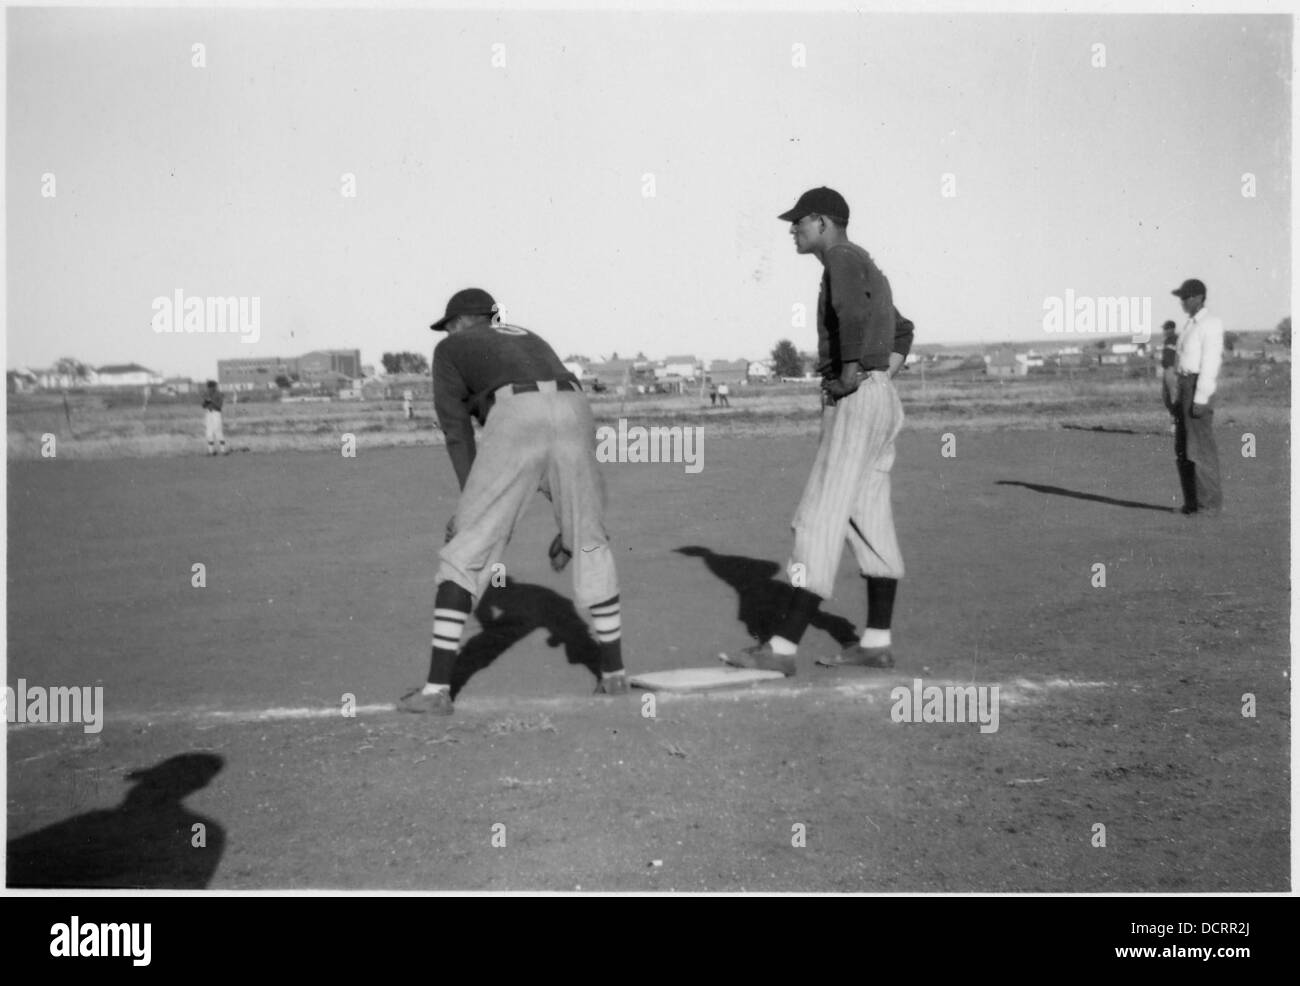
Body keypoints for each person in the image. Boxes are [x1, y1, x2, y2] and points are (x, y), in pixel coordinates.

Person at [398, 288, 626, 716]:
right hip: (576, 405)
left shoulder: (451, 348)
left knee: (466, 552)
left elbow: (456, 430)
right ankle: (614, 674)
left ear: (464, 322)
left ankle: (436, 691)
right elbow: (550, 420)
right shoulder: (527, 336)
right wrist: (570, 528)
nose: (446, 331)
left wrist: (471, 507)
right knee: (591, 539)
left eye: (448, 323)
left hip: (516, 411)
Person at [722, 187, 908, 675]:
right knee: (868, 514)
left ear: (823, 222)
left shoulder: (841, 259)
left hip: (856, 399)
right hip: (881, 398)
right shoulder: (866, 263)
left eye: (799, 222)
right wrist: (879, 373)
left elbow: (851, 315)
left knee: (817, 519)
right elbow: (903, 330)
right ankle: (876, 640)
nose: (792, 230)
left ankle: (780, 650)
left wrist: (852, 373)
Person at [1170, 278, 1224, 516]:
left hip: (1196, 385)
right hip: (1184, 386)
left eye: (1186, 298)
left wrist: (1201, 396)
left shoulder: (1210, 324)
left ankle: (1209, 504)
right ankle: (1192, 502)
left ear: (1198, 297)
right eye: (1181, 298)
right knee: (1183, 447)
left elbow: (1210, 362)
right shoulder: (1189, 325)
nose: (1183, 302)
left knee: (1200, 447)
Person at [1159, 319, 1179, 426]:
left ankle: (1176, 421)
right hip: (1166, 371)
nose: (1164, 331)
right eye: (1164, 329)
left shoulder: (1178, 340)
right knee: (1165, 396)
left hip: (1173, 371)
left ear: (1172, 329)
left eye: (1166, 329)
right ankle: (1174, 416)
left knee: (1174, 396)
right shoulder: (1166, 341)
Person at [201, 380, 228, 456]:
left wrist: (211, 401)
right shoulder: (207, 394)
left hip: (216, 413)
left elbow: (219, 406)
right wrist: (205, 402)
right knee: (209, 432)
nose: (209, 389)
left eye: (210, 387)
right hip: (208, 413)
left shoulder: (219, 394)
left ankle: (223, 450)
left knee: (218, 430)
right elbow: (203, 406)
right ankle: (211, 451)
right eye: (208, 387)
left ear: (214, 387)